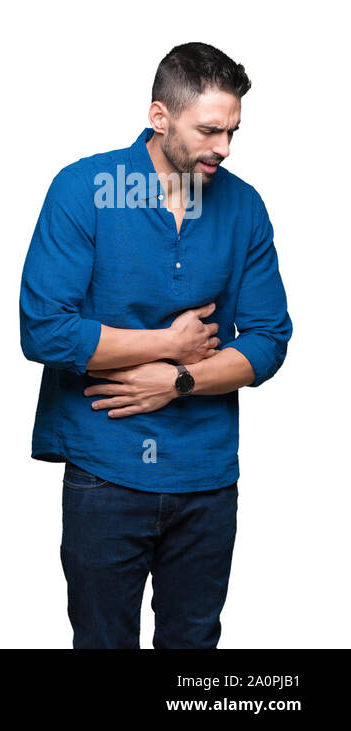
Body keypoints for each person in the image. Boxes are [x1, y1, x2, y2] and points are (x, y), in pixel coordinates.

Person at [19, 42, 292, 648]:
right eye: (210, 129)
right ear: (160, 116)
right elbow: (43, 330)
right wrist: (169, 343)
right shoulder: (84, 188)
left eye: (233, 131)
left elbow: (271, 338)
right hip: (105, 466)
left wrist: (180, 379)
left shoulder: (244, 206)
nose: (223, 146)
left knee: (194, 654)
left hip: (207, 474)